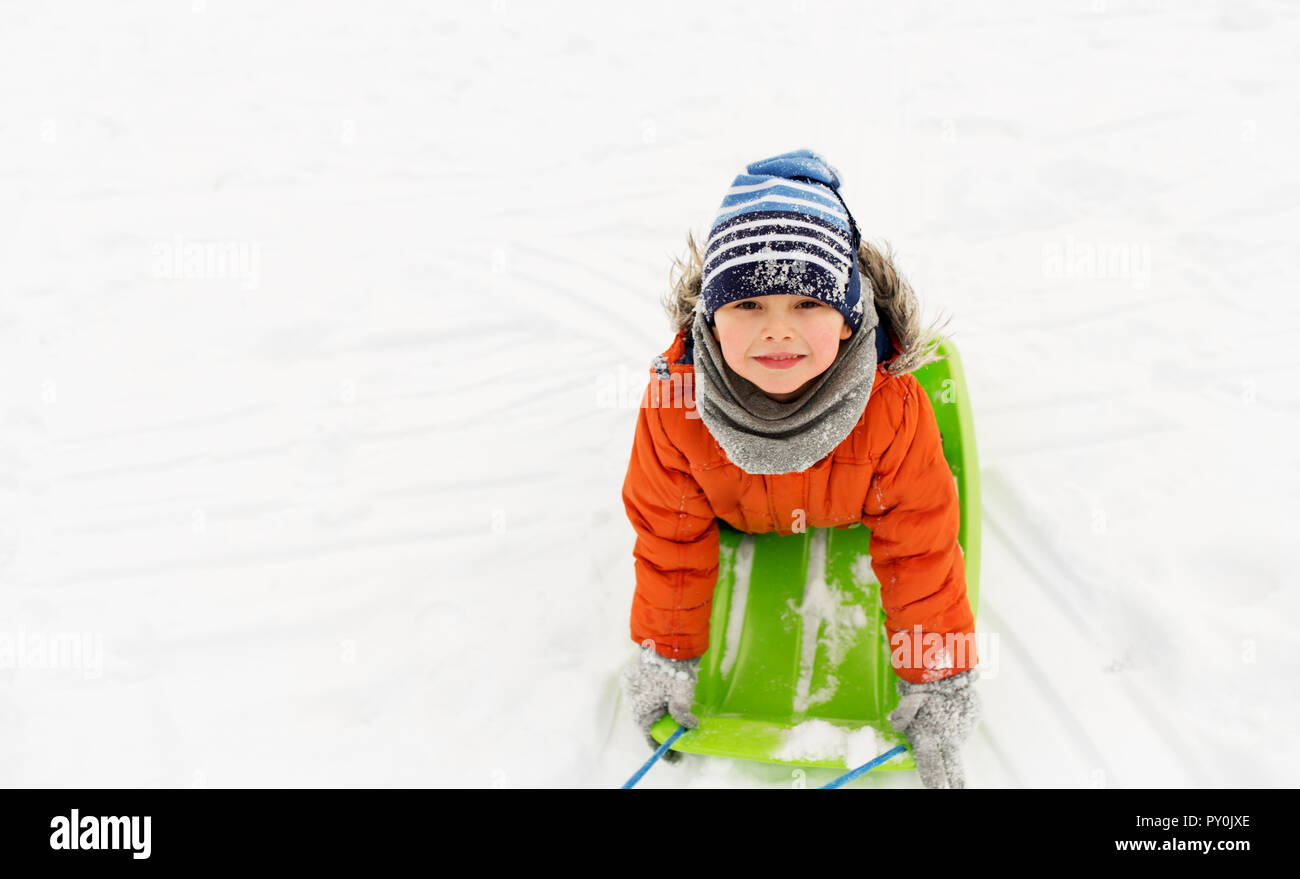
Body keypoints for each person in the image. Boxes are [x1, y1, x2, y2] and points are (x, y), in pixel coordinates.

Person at [618, 149, 981, 788]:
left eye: (806, 305)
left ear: (846, 318)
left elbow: (921, 545)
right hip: (738, 512)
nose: (777, 333)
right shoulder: (677, 409)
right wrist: (664, 660)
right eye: (747, 306)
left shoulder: (890, 408)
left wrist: (937, 675)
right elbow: (670, 542)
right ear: (710, 316)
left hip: (848, 505)